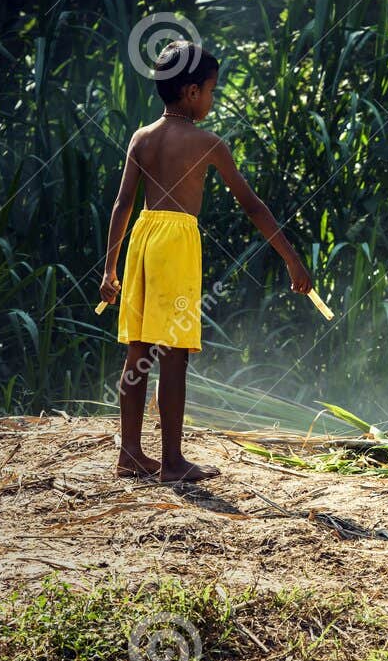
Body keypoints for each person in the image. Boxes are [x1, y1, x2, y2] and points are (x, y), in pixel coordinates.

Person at [100, 40, 312, 482]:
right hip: (176, 246)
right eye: (212, 90)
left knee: (138, 351)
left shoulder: (142, 138)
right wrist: (291, 258)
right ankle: (173, 462)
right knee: (174, 355)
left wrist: (110, 268)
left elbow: (122, 204)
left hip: (142, 239)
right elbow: (253, 206)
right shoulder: (207, 143)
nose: (213, 99)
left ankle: (131, 454)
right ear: (192, 91)